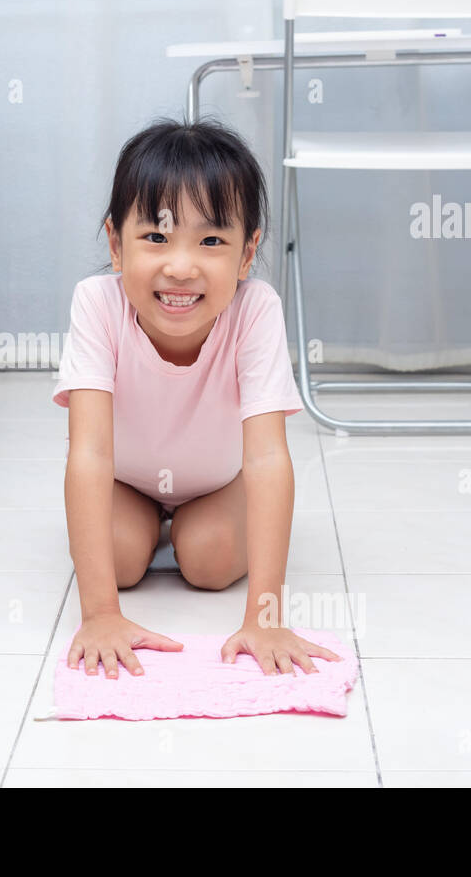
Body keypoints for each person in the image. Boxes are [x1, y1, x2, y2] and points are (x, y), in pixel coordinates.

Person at [52, 117, 342, 680]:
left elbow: (265, 457)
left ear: (247, 253)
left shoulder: (255, 310)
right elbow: (88, 453)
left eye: (211, 241)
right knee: (119, 559)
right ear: (116, 244)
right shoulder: (96, 302)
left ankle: (191, 523)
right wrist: (100, 613)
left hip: (216, 483)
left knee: (208, 561)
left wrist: (267, 616)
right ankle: (146, 526)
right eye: (156, 237)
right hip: (128, 483)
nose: (181, 267)